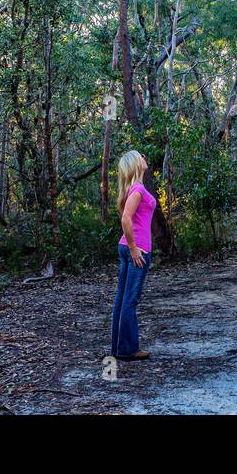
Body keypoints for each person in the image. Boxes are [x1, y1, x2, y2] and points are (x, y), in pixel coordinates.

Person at [110, 150, 154, 360]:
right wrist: (135, 248)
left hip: (128, 247)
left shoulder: (135, 188)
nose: (145, 158)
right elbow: (126, 219)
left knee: (122, 299)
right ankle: (128, 350)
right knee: (130, 300)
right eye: (141, 156)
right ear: (137, 163)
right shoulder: (137, 190)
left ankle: (118, 348)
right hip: (136, 249)